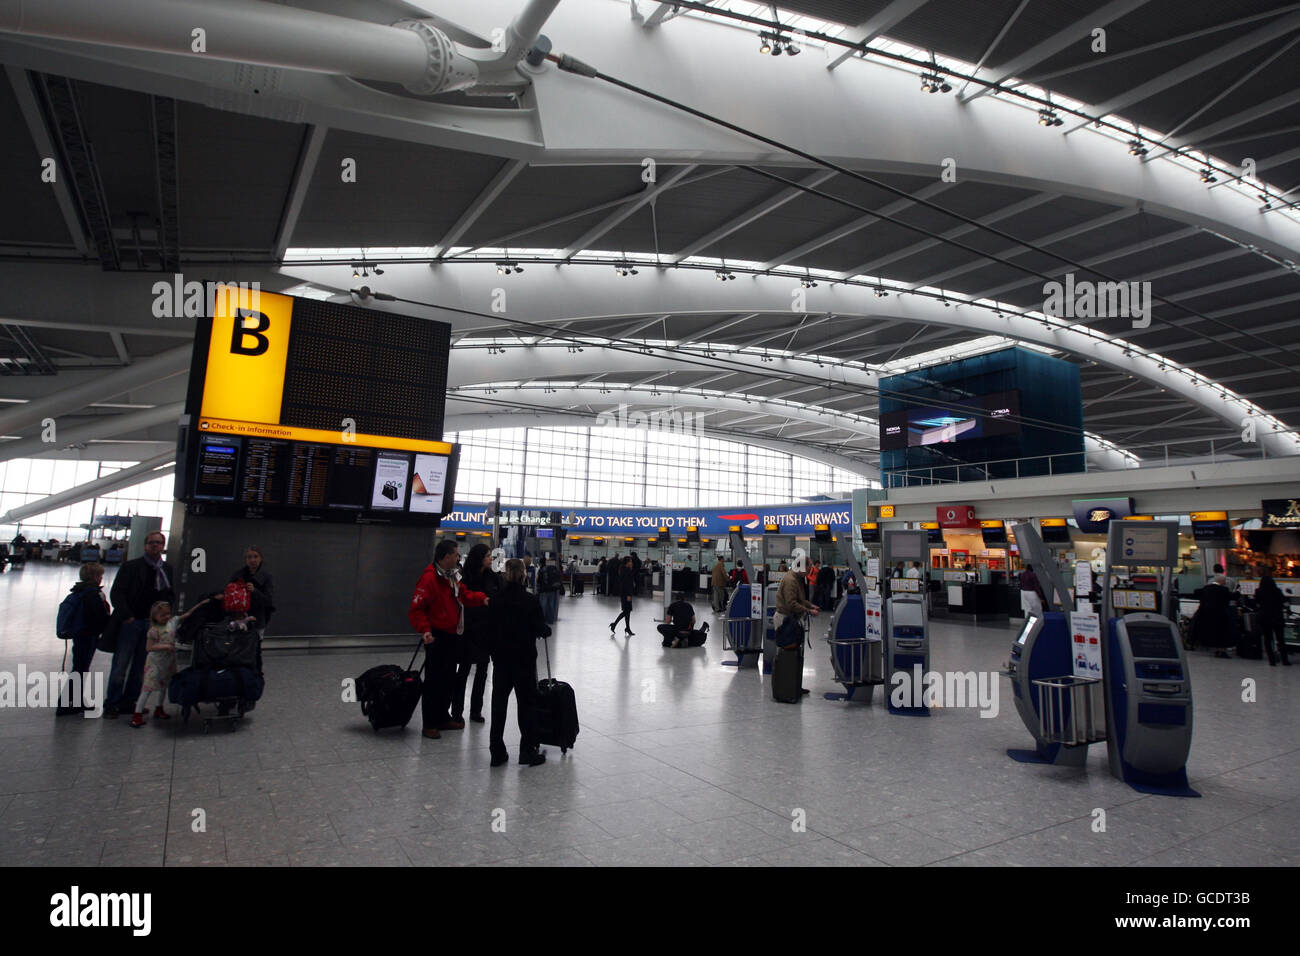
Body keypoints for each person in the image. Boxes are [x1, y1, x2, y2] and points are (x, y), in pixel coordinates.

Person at [409, 540, 489, 739]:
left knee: (447, 679)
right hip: (436, 636)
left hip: (453, 634)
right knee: (434, 681)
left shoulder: (452, 576)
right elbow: (416, 609)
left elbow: (463, 594)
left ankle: (443, 717)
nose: (458, 557)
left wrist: (481, 598)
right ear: (445, 557)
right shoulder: (429, 579)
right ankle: (429, 723)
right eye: (455, 554)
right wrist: (425, 630)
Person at [103, 531, 175, 719]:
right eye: (152, 543)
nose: (155, 546)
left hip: (152, 625)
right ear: (145, 545)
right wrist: (127, 617)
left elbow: (169, 595)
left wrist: (165, 618)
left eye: (159, 543)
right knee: (121, 664)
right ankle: (112, 703)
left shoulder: (166, 569)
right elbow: (117, 593)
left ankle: (129, 702)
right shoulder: (131, 567)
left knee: (140, 667)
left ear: (163, 546)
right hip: (132, 622)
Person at [488, 558, 549, 767]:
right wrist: (544, 630)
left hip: (501, 660)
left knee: (499, 704)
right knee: (527, 705)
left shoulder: (495, 599)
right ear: (524, 574)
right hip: (524, 660)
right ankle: (527, 751)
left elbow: (489, 628)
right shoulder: (530, 600)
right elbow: (541, 628)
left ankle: (496, 751)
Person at [129, 597, 210, 727]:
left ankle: (159, 708)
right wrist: (165, 647)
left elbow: (187, 614)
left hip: (168, 661)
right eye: (163, 615)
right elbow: (149, 648)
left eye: (168, 614)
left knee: (163, 686)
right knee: (147, 688)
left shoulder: (172, 622)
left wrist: (200, 604)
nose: (166, 617)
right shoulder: (153, 631)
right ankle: (137, 714)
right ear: (155, 616)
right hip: (155, 662)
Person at [56, 562, 111, 716]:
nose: (101, 578)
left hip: (80, 634)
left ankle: (74, 701)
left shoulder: (79, 592)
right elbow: (97, 616)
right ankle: (66, 704)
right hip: (88, 634)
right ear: (94, 577)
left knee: (79, 667)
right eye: (100, 575)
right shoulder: (92, 594)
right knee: (80, 669)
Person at [454, 543, 498, 723]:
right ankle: (456, 710)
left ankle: (475, 710)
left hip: (485, 630)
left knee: (482, 671)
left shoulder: (493, 577)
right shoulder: (465, 578)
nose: (491, 559)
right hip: (468, 629)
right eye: (488, 555)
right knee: (463, 671)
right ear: (480, 558)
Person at [774, 555, 820, 695]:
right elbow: (792, 604)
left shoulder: (797, 579)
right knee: (787, 656)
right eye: (808, 568)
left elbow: (800, 599)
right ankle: (787, 687)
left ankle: (794, 685)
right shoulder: (790, 580)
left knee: (795, 655)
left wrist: (810, 605)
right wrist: (809, 611)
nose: (809, 571)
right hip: (785, 620)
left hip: (791, 620)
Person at [1192, 571, 1235, 657]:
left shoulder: (1207, 588)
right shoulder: (1224, 590)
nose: (1225, 582)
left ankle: (1216, 650)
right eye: (1224, 581)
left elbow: (1196, 592)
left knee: (1214, 633)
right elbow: (1231, 598)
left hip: (1208, 614)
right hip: (1221, 615)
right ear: (1221, 581)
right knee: (1223, 633)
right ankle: (1222, 650)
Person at [229, 545, 274, 626]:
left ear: (261, 558)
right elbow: (228, 594)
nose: (252, 560)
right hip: (238, 619)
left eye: (256, 557)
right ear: (246, 559)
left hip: (257, 620)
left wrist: (254, 591)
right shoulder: (237, 575)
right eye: (249, 557)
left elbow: (268, 601)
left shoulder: (266, 577)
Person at [1256, 571, 1291, 666]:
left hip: (1264, 618)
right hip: (1277, 617)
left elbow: (1257, 602)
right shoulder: (1277, 591)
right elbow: (1284, 602)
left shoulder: (1258, 591)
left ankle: (1271, 660)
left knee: (1268, 639)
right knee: (1281, 639)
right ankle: (1285, 660)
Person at [609, 556, 635, 637]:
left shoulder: (623, 569)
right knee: (626, 611)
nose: (632, 563)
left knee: (627, 611)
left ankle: (627, 627)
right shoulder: (626, 570)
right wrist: (628, 594)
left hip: (624, 593)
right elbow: (626, 584)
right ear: (627, 562)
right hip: (626, 594)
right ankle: (615, 624)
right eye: (631, 561)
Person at [536, 555, 562, 624]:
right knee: (551, 605)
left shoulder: (542, 570)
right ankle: (551, 620)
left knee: (543, 605)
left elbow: (539, 581)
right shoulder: (554, 568)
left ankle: (542, 620)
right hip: (553, 589)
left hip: (544, 590)